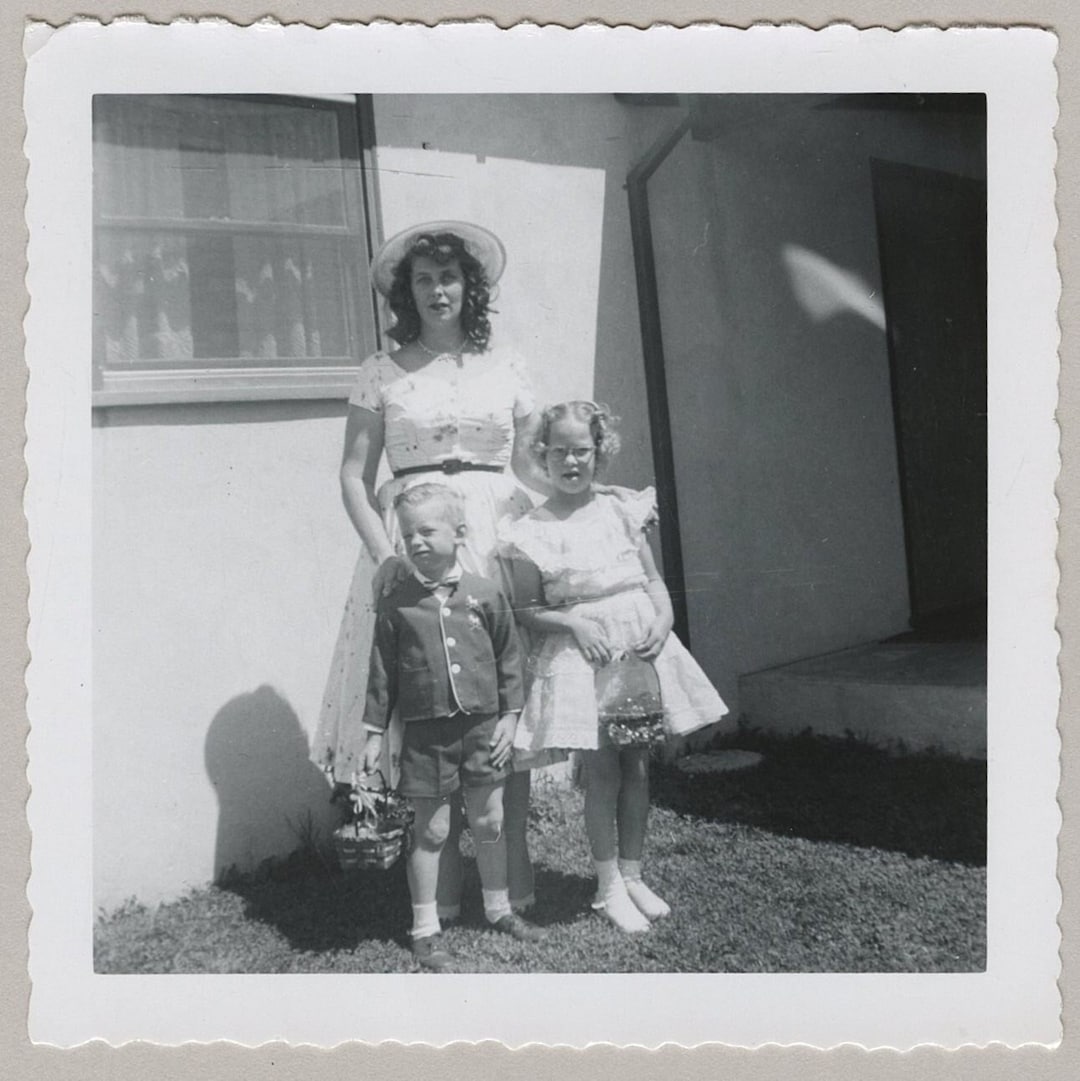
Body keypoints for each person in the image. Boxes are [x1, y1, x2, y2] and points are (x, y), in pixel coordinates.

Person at [314, 221, 551, 920]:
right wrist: (386, 556)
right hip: (414, 538)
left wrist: (576, 515)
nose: (437, 290)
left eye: (449, 277)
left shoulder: (506, 365)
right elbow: (354, 476)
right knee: (427, 704)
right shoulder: (381, 371)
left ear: (469, 287)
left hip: (491, 537)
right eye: (423, 279)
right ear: (405, 291)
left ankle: (511, 882)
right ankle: (439, 893)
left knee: (500, 697)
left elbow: (535, 463)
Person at [500, 401, 731, 932]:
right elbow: (526, 609)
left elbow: (652, 580)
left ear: (599, 453)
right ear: (542, 456)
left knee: (638, 765)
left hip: (636, 649)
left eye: (581, 450)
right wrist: (576, 625)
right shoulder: (533, 529)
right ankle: (606, 888)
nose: (571, 462)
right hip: (585, 659)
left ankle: (632, 874)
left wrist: (666, 615)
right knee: (602, 770)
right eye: (558, 452)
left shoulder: (622, 509)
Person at [361, 485, 545, 970]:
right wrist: (374, 734)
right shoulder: (396, 603)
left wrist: (509, 717)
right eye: (407, 535)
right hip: (427, 738)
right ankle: (425, 929)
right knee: (433, 830)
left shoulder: (485, 593)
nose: (416, 542)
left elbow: (509, 658)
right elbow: (381, 673)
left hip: (484, 731)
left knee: (490, 821)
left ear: (459, 534)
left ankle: (499, 908)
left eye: (427, 530)